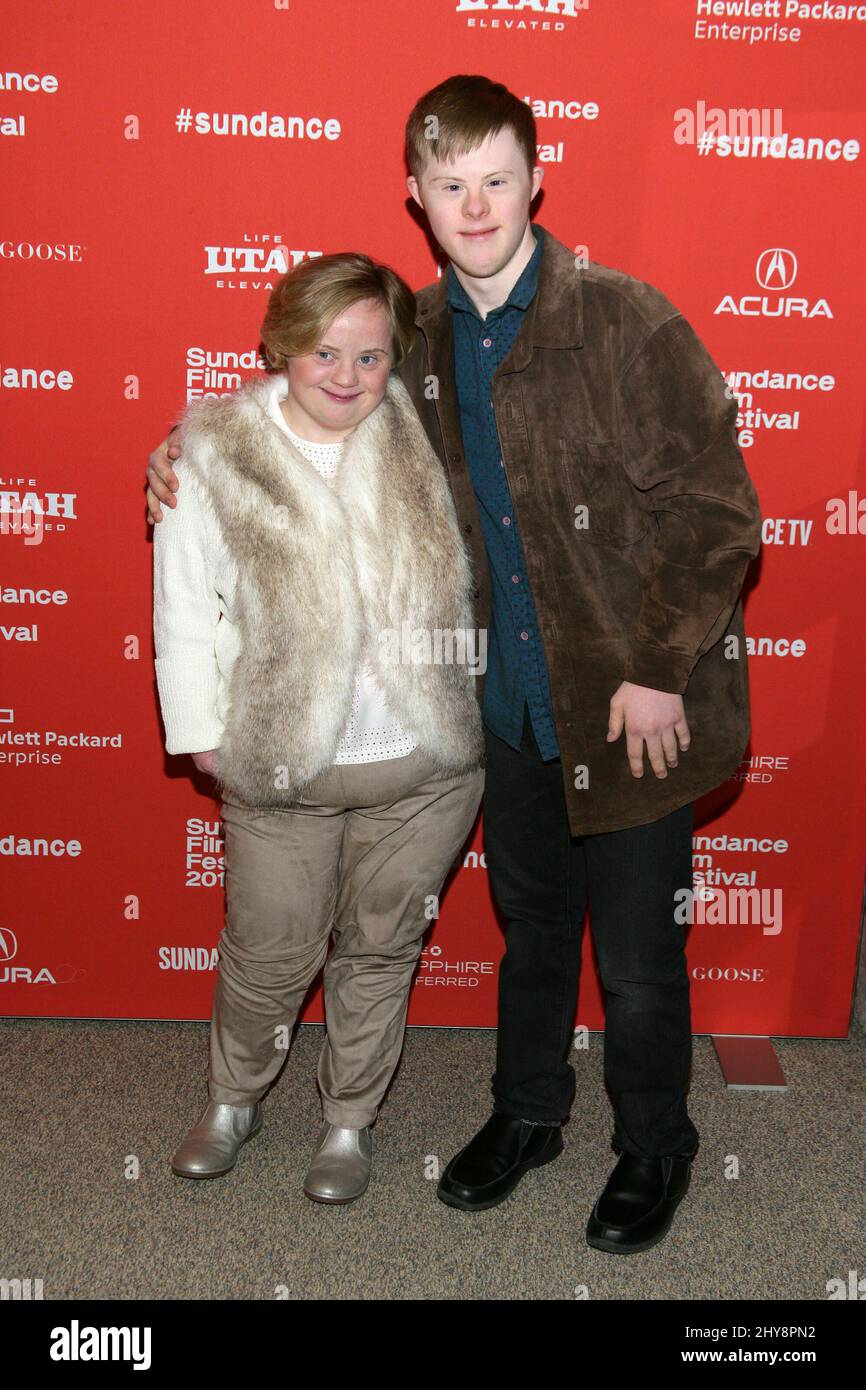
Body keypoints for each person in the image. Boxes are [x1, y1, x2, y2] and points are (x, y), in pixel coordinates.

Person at [147, 75, 762, 1253]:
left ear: (536, 180)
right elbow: (310, 409)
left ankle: (654, 1145)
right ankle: (528, 1113)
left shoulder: (626, 321)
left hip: (633, 705)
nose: (474, 204)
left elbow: (716, 511)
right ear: (416, 199)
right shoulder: (412, 338)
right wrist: (190, 447)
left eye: (495, 179)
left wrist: (652, 666)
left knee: (635, 962)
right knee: (532, 933)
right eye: (449, 184)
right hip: (504, 711)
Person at [151, 250, 485, 1202]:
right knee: (267, 951)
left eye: (371, 358)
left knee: (381, 951)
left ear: (397, 360)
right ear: (282, 346)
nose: (346, 378)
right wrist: (200, 732)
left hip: (424, 764)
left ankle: (348, 1124)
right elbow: (181, 609)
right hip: (282, 762)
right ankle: (233, 1100)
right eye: (323, 352)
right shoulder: (211, 451)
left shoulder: (432, 434)